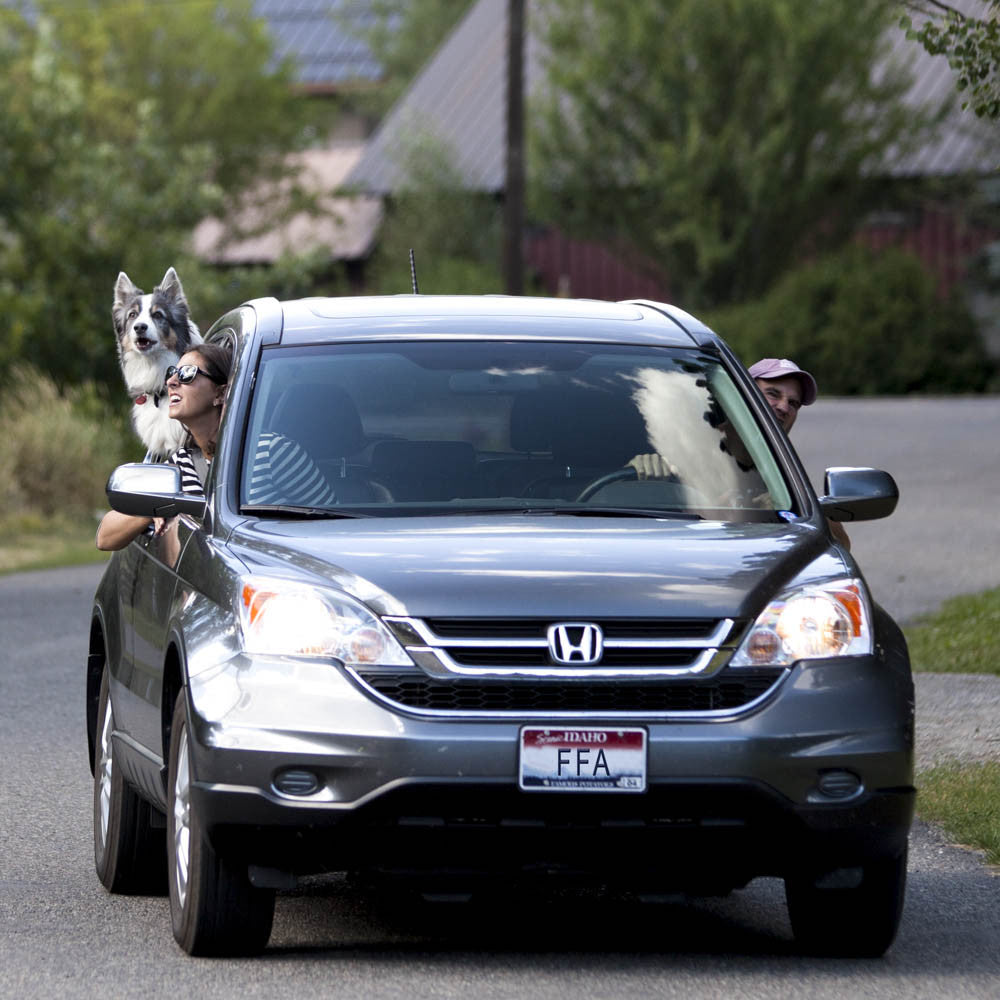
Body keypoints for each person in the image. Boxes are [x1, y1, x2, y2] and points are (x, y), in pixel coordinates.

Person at [96, 343, 336, 552]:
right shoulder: (180, 465)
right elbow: (104, 537)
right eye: (172, 373)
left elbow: (329, 527)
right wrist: (155, 507)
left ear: (221, 393)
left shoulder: (272, 451)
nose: (171, 381)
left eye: (187, 374)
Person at [629, 357, 850, 549]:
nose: (784, 407)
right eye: (773, 394)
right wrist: (646, 469)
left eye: (794, 403)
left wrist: (799, 511)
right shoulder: (691, 444)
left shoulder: (783, 471)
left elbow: (840, 547)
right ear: (742, 398)